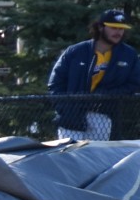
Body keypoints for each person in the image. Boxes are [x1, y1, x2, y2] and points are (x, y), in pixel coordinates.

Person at [48, 8, 137, 142]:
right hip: (71, 116)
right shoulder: (75, 51)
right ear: (100, 27)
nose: (118, 32)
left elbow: (135, 83)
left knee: (97, 152)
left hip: (103, 115)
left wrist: (106, 96)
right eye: (113, 28)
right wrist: (64, 108)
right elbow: (56, 83)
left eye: (121, 28)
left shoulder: (129, 55)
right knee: (70, 152)